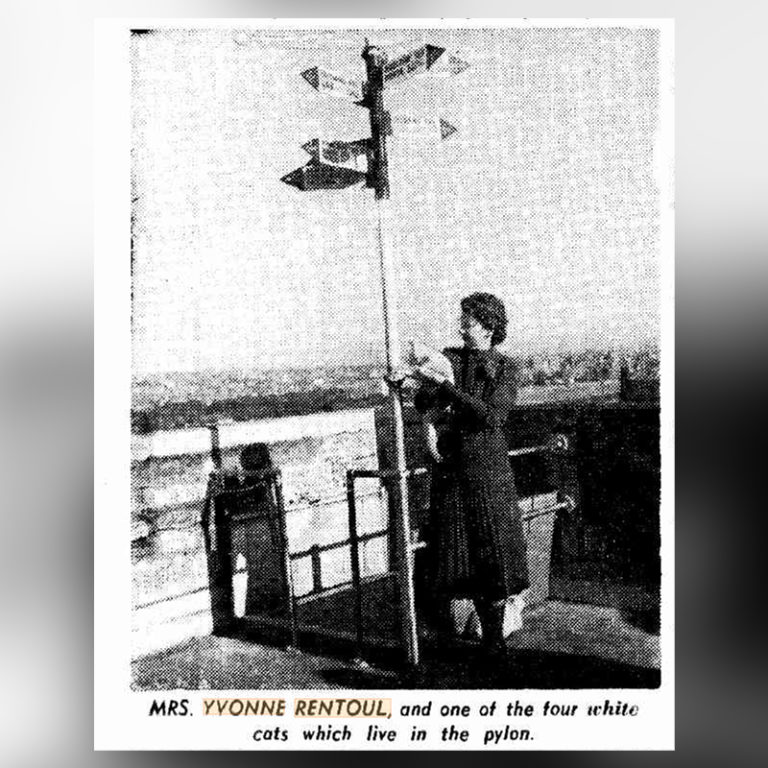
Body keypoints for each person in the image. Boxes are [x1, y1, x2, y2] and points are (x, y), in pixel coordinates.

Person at [410, 292, 529, 656]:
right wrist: (422, 387)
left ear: (489, 326)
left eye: (469, 321)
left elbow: (491, 417)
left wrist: (446, 387)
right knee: (455, 560)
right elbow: (424, 403)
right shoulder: (450, 358)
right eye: (462, 320)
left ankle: (494, 646)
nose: (462, 327)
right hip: (454, 476)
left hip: (489, 478)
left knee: (492, 560)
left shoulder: (507, 367)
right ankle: (450, 646)